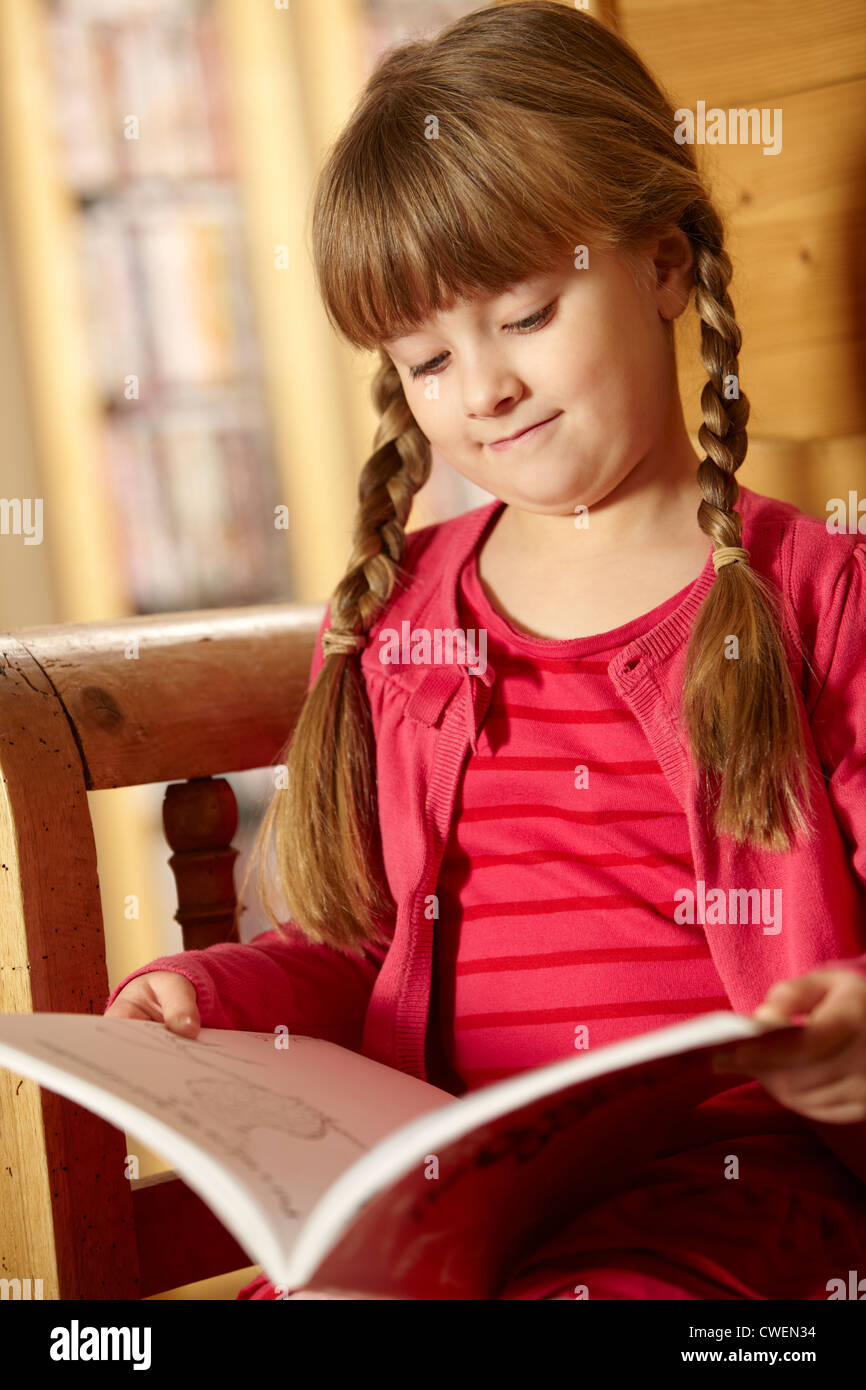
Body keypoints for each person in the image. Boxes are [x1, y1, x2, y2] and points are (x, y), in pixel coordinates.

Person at [105, 1, 866, 1300]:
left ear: (665, 268)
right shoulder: (406, 625)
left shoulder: (816, 595)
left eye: (523, 315)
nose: (484, 388)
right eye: (425, 357)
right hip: (447, 1214)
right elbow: (364, 952)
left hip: (722, 1208)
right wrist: (210, 994)